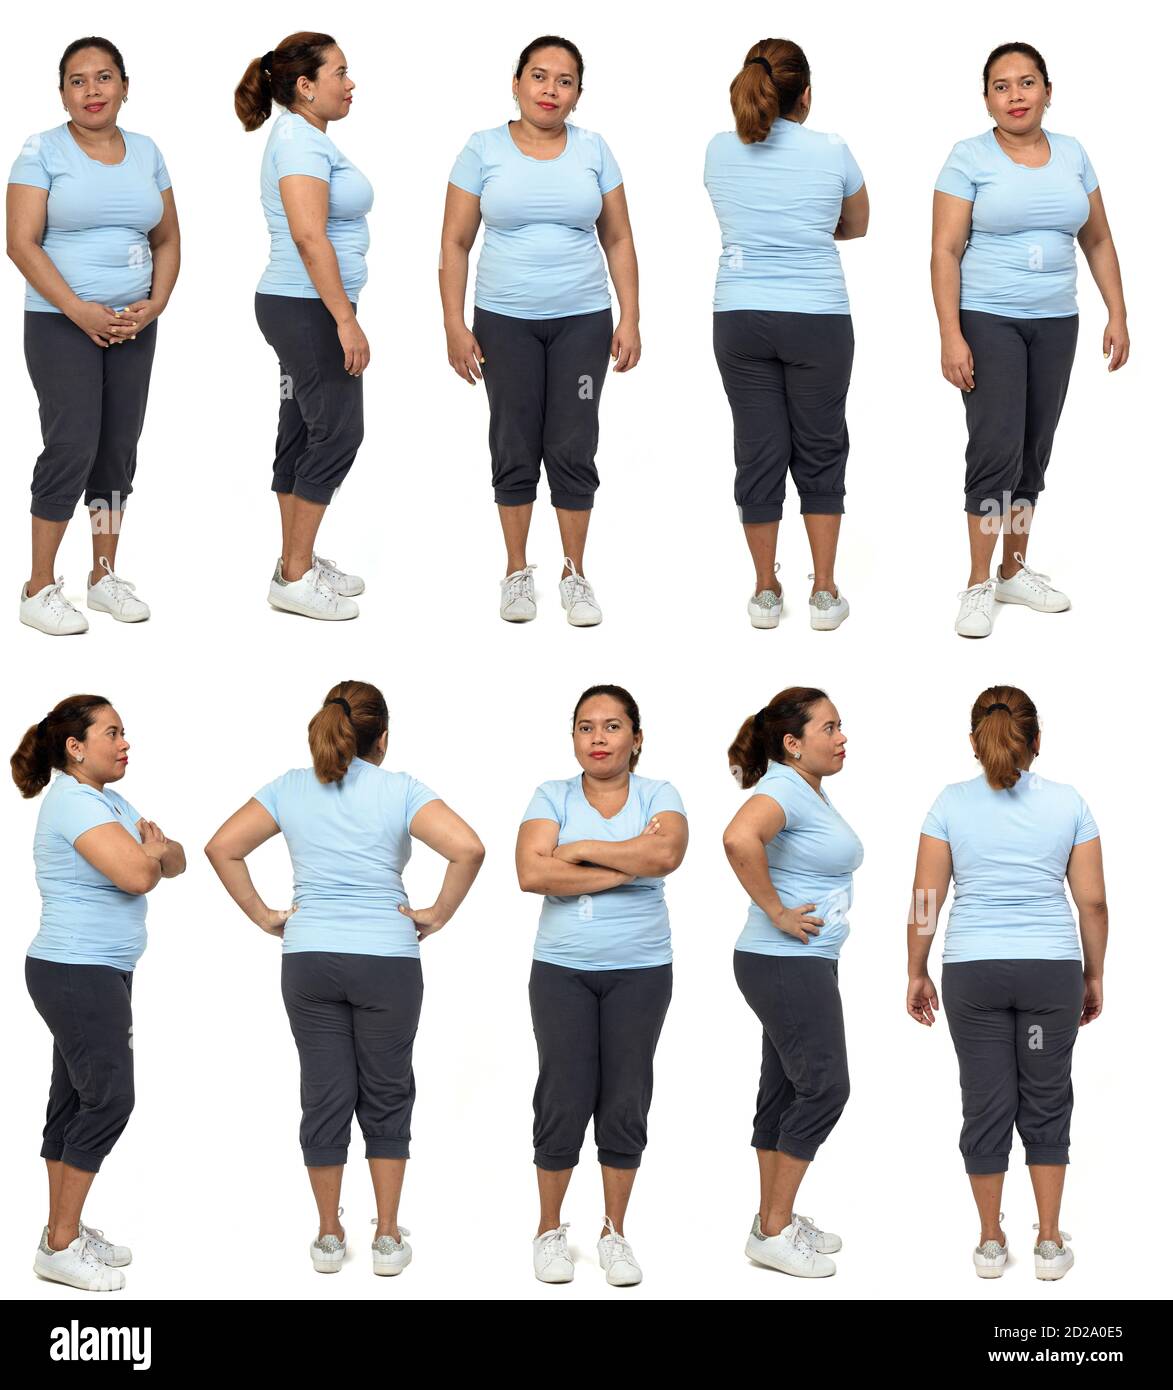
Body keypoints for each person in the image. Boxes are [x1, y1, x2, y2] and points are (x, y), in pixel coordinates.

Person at [205, 681, 484, 1276]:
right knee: (387, 1091)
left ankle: (330, 1235)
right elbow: (469, 849)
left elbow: (222, 847)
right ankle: (386, 1237)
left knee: (324, 1092)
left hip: (309, 960)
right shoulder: (399, 789)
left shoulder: (289, 787)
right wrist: (435, 913)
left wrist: (266, 916)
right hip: (387, 959)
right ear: (382, 737)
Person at [907, 686, 1107, 1280]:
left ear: (975, 742)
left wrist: (915, 968)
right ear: (1037, 740)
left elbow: (925, 899)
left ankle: (991, 1242)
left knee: (986, 1100)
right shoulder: (1069, 803)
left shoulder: (949, 803)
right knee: (1046, 1099)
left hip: (975, 976)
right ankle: (1048, 1243)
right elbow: (1092, 902)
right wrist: (1092, 973)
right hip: (1050, 975)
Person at [931, 42, 1129, 638]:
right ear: (986, 98)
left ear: (1047, 90)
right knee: (994, 450)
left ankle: (1015, 570)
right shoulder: (968, 157)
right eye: (1001, 85)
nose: (1015, 96)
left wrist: (1117, 312)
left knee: (1032, 450)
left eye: (1026, 83)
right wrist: (951, 335)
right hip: (989, 318)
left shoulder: (1073, 154)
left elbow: (1097, 239)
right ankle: (977, 582)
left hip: (1055, 324)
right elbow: (944, 250)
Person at [442, 35, 640, 626]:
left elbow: (619, 238)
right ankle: (516, 572)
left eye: (565, 81)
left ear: (578, 95)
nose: (550, 89)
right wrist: (454, 324)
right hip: (504, 321)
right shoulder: (481, 150)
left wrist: (630, 314)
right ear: (516, 82)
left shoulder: (595, 150)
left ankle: (574, 573)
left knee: (574, 440)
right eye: (539, 76)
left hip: (582, 319)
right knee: (514, 437)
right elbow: (455, 243)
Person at [12, 694, 186, 1290]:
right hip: (74, 968)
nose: (125, 743)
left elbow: (175, 858)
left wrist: (156, 854)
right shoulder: (74, 803)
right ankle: (60, 1246)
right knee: (110, 1099)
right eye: (112, 733)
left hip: (95, 970)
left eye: (124, 733)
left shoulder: (106, 800)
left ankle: (63, 1229)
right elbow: (141, 873)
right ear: (75, 747)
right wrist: (151, 855)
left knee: (74, 1099)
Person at [7, 36, 179, 635]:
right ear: (62, 94)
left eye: (104, 78)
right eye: (77, 81)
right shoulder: (40, 151)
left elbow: (167, 239)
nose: (92, 91)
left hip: (133, 325)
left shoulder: (148, 151)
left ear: (125, 86)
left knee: (116, 449)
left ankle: (103, 577)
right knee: (72, 445)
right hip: (60, 323)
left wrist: (155, 304)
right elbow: (20, 243)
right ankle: (38, 587)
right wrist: (80, 310)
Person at [516, 685, 687, 1284]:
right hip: (562, 971)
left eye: (612, 727)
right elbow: (531, 871)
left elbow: (666, 856)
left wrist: (583, 852)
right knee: (563, 1094)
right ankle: (548, 1230)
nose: (598, 738)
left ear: (635, 739)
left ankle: (614, 1232)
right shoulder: (551, 794)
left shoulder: (659, 794)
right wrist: (628, 863)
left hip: (641, 971)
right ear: (573, 739)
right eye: (586, 727)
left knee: (625, 1098)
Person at [705, 39, 868, 632]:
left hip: (740, 317)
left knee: (758, 448)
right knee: (821, 445)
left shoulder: (719, 151)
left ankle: (766, 590)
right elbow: (857, 224)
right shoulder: (832, 151)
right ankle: (824, 592)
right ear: (805, 95)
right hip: (818, 318)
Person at [722, 687, 862, 1277]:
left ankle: (772, 1218)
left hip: (794, 962)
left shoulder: (806, 789)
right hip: (785, 959)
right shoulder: (782, 788)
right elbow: (737, 837)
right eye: (829, 728)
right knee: (826, 1087)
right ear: (792, 743)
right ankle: (774, 1230)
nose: (841, 737)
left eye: (839, 726)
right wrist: (778, 910)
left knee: (783, 1089)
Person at [235, 33, 373, 620]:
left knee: (302, 429)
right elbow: (309, 236)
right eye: (340, 73)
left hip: (300, 305)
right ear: (305, 85)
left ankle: (298, 560)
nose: (351, 84)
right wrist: (345, 319)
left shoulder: (301, 138)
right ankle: (294, 576)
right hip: (308, 308)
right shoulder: (299, 144)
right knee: (339, 432)